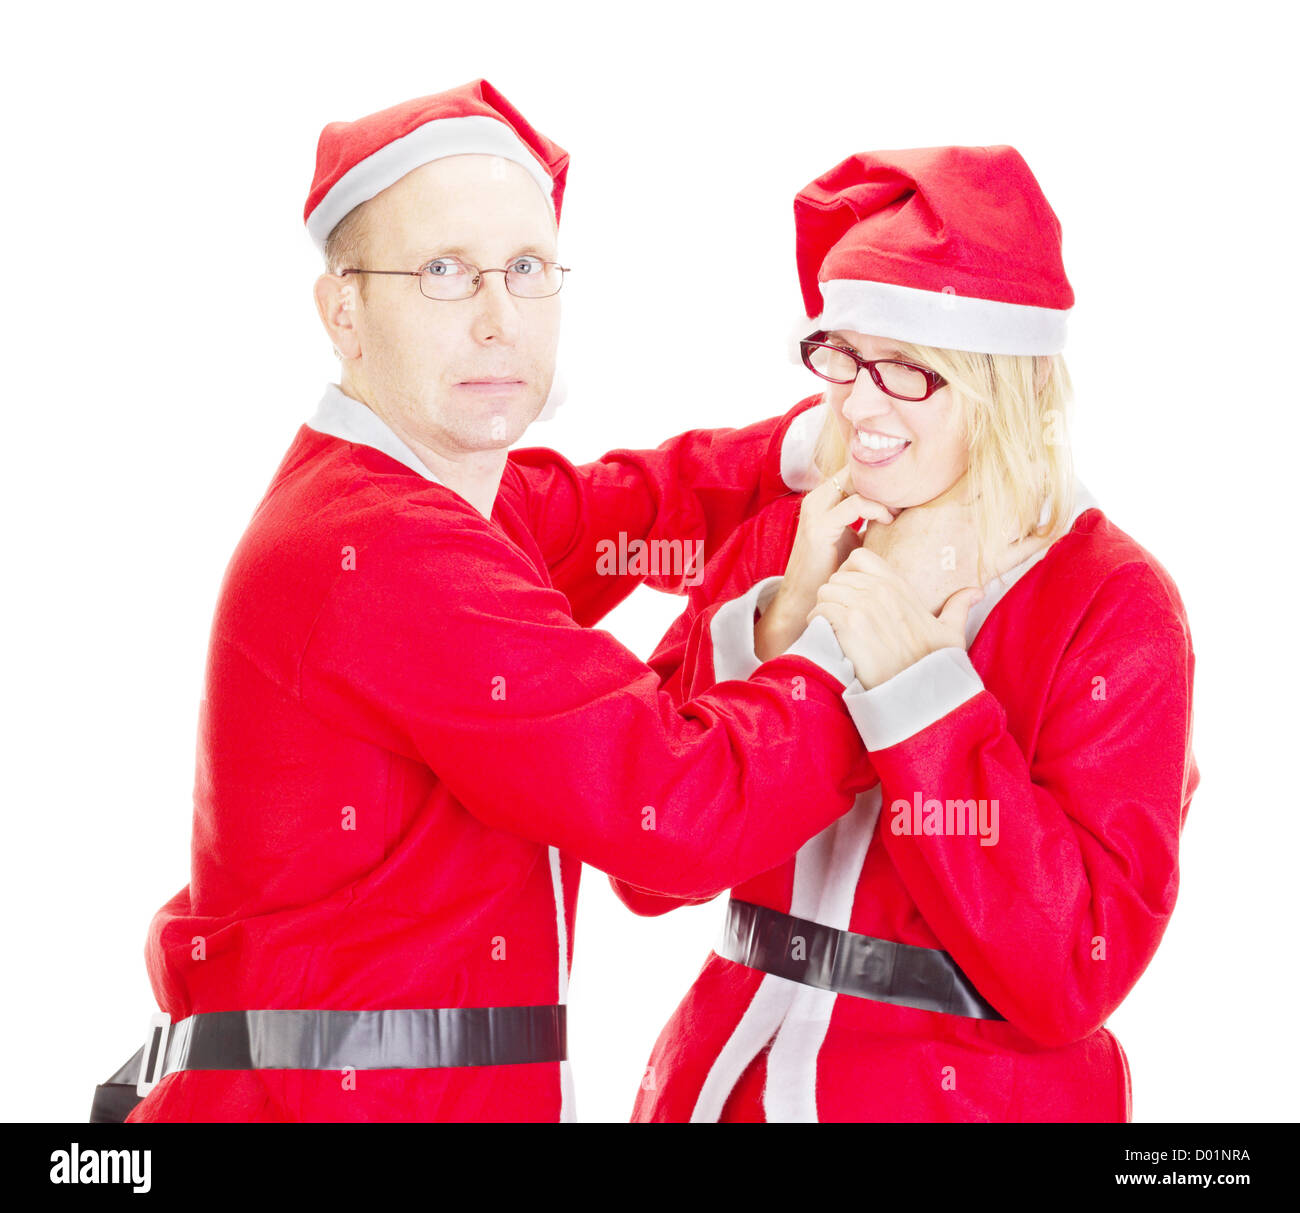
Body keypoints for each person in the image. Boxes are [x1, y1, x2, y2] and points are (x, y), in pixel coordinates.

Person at [93, 81, 885, 1123]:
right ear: (343, 312)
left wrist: (814, 442)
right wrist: (861, 640)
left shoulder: (440, 496)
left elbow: (625, 508)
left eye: (524, 269)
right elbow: (675, 809)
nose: (498, 319)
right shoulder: (382, 549)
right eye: (442, 273)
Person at [611, 145, 1199, 1122]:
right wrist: (781, 629)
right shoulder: (780, 543)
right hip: (717, 1091)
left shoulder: (1116, 604)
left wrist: (921, 695)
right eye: (839, 356)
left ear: (998, 384)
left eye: (905, 371)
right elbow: (642, 867)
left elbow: (1073, 969)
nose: (855, 403)